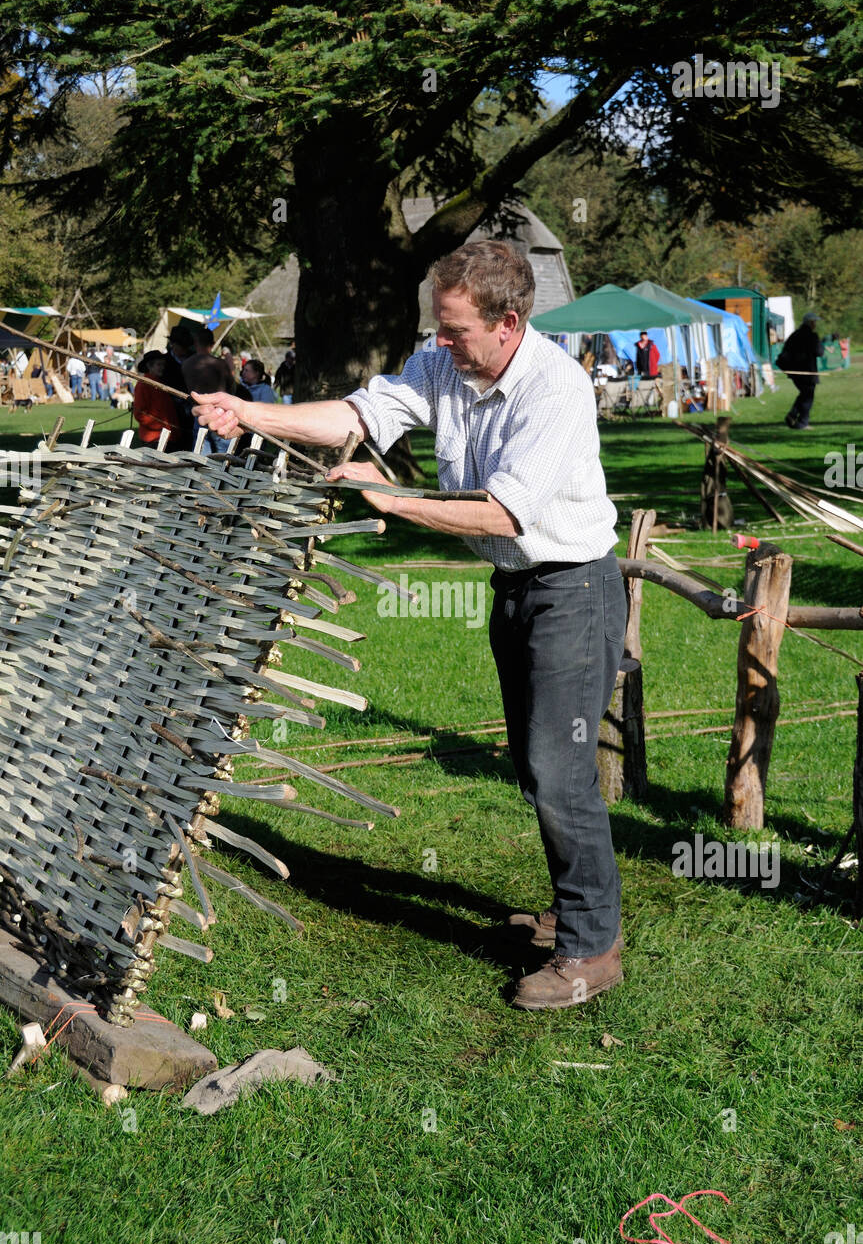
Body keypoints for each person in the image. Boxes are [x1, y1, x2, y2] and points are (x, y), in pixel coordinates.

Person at [193, 240, 626, 1011]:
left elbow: (503, 510)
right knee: (537, 772)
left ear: (508, 322)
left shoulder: (555, 389)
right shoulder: (444, 367)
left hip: (573, 590)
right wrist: (247, 410)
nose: (440, 341)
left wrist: (389, 500)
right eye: (439, 326)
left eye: (454, 329)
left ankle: (592, 949)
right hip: (516, 585)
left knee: (558, 772)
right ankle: (570, 911)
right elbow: (359, 415)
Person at [777, 311, 824, 429]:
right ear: (811, 323)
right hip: (808, 372)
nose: (815, 325)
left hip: (795, 372)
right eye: (814, 322)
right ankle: (802, 422)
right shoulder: (812, 336)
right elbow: (819, 352)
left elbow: (785, 352)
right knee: (808, 396)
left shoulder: (794, 335)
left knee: (804, 394)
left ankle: (792, 415)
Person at [132, 351, 185, 450]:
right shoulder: (143, 385)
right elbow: (139, 413)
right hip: (155, 438)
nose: (162, 367)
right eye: (159, 365)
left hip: (167, 436)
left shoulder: (159, 382)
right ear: (149, 366)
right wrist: (160, 426)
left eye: (163, 365)